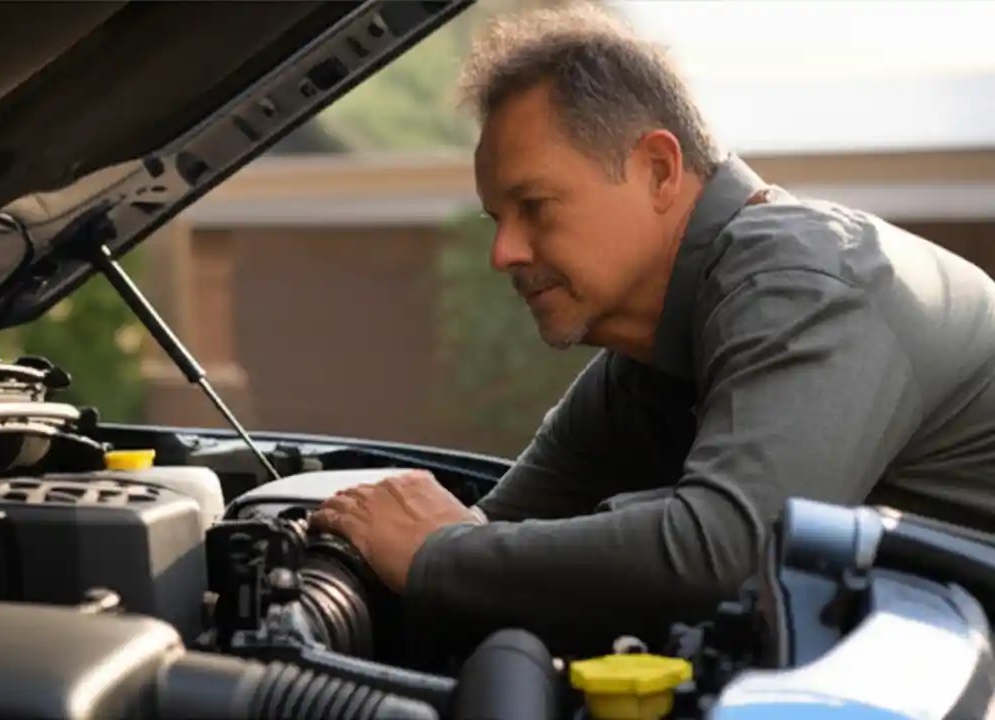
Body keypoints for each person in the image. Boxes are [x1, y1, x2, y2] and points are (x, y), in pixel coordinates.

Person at [310, 2, 995, 648]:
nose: (503, 252)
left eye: (536, 205)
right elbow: (500, 534)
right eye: (497, 218)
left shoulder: (802, 280)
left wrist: (439, 553)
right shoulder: (650, 362)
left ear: (658, 169)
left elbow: (726, 554)